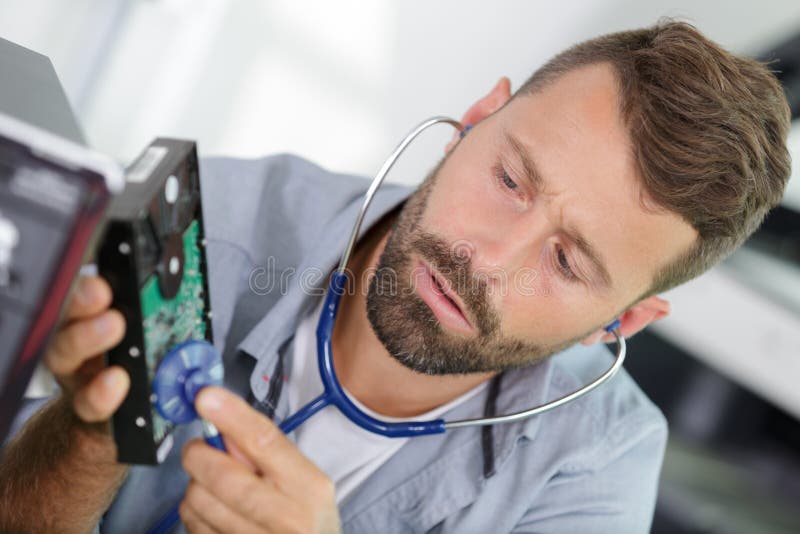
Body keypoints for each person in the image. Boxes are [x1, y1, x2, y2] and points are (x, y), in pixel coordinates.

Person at [0, 20, 791, 533]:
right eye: (511, 180)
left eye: (566, 261)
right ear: (476, 119)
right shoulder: (218, 225)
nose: (488, 258)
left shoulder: (594, 465)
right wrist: (93, 430)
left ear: (617, 324)